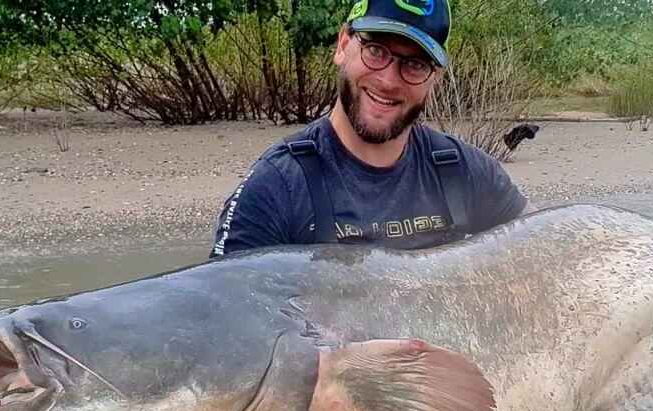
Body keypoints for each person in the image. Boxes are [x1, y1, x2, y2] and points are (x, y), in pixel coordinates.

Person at [209, 0, 537, 258]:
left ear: (434, 78)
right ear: (342, 45)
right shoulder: (277, 188)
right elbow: (222, 320)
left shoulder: (464, 171)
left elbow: (547, 253)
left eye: (415, 64)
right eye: (376, 50)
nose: (388, 80)